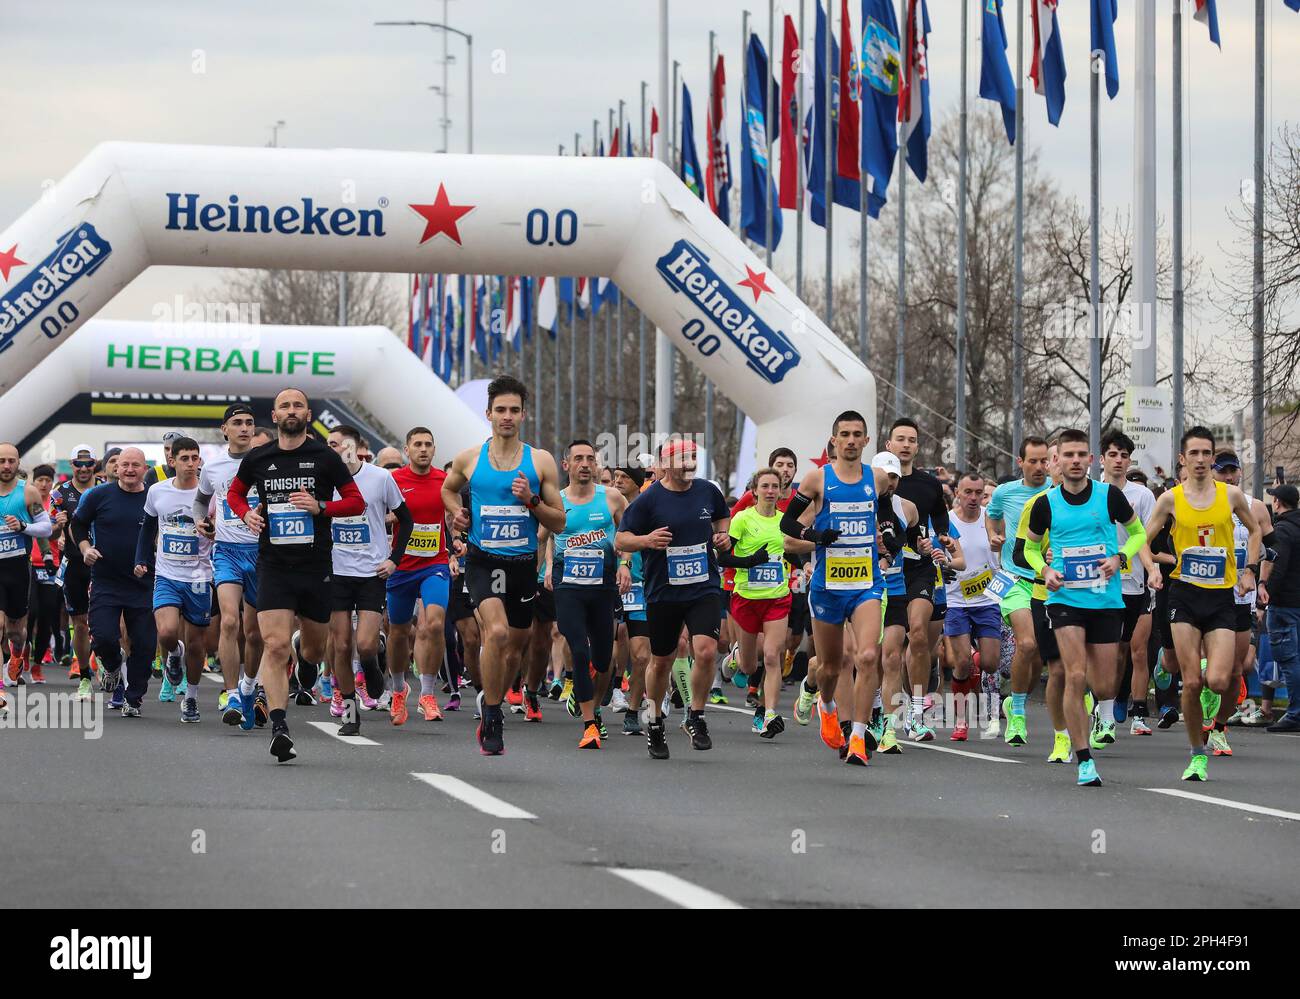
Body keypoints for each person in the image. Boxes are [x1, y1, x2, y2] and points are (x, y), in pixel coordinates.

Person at [225, 388, 365, 763]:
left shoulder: (324, 457)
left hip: (316, 566)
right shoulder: (258, 457)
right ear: (274, 414)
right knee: (274, 646)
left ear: (307, 414)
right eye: (284, 405)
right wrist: (246, 514)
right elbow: (234, 496)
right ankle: (279, 726)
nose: (291, 410)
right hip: (273, 565)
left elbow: (356, 501)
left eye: (298, 405)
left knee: (316, 649)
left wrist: (320, 506)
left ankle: (306, 665)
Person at [441, 376, 566, 756]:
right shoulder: (469, 458)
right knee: (494, 634)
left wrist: (531, 501)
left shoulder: (540, 461)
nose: (507, 416)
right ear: (489, 414)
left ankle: (493, 697)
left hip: (522, 565)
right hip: (482, 561)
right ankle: (492, 712)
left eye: (514, 410)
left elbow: (559, 521)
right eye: (500, 410)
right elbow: (448, 489)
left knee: (515, 647)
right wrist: (457, 515)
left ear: (523, 414)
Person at [1022, 429, 1152, 788]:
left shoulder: (1109, 496)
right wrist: (1044, 570)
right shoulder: (1045, 504)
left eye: (1082, 454)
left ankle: (1101, 712)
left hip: (1106, 600)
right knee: (1073, 674)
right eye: (1069, 455)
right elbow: (1030, 549)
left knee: (1103, 683)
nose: (1076, 461)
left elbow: (1139, 534)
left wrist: (1119, 557)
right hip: (1065, 600)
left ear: (1090, 460)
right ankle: (1083, 758)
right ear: (1058, 461)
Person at [780, 415, 905, 766]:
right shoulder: (818, 478)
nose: (850, 440)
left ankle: (858, 739)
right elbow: (787, 523)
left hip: (866, 584)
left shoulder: (877, 479)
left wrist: (891, 537)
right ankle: (827, 705)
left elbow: (886, 520)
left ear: (866, 441)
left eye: (857, 435)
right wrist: (816, 537)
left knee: (867, 657)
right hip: (826, 587)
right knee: (832, 667)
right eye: (844, 435)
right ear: (834, 440)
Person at [1143, 426, 1262, 782]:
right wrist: (1151, 570)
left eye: (1205, 454)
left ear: (1212, 458)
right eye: (1192, 454)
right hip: (1183, 595)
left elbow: (1255, 531)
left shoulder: (1231, 496)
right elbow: (1141, 540)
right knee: (1192, 682)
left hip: (1221, 596)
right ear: (1183, 459)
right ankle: (1197, 754)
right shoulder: (1170, 499)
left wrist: (1250, 571)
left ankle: (1216, 722)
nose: (1199, 460)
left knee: (1221, 680)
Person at [616, 437, 731, 759]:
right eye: (682, 458)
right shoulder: (648, 500)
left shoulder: (707, 490)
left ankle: (695, 716)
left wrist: (723, 536)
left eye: (692, 457)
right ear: (664, 464)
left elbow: (722, 517)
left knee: (706, 651)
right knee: (662, 660)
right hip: (664, 590)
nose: (688, 463)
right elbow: (621, 539)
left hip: (703, 586)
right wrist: (647, 539)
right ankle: (654, 720)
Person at [541, 440, 629, 749]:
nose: (584, 463)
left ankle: (595, 707)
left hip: (603, 586)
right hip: (568, 587)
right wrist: (546, 568)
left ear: (596, 465)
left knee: (604, 660)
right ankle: (589, 723)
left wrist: (626, 565)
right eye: (578, 458)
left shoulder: (614, 499)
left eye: (590, 459)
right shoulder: (556, 501)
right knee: (578, 649)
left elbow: (627, 535)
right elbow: (544, 537)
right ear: (566, 465)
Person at [884, 419, 961, 745]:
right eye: (899, 439)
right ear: (888, 445)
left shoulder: (929, 485)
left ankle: (915, 714)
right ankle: (881, 710)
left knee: (918, 634)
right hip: (885, 570)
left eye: (911, 440)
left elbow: (941, 525)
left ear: (917, 447)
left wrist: (944, 544)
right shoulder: (874, 482)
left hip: (920, 568)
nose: (905, 445)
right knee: (885, 651)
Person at [725, 467, 813, 738]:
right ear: (754, 491)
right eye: (765, 486)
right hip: (746, 598)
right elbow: (723, 556)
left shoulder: (786, 521)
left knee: (773, 655)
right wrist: (748, 561)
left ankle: (770, 714)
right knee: (750, 666)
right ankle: (735, 656)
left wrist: (806, 564)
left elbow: (794, 550)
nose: (771, 491)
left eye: (775, 486)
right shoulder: (741, 519)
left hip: (777, 597)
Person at [193, 404, 265, 728]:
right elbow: (199, 501)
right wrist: (200, 522)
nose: (244, 428)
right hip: (226, 552)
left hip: (262, 554)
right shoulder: (213, 467)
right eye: (237, 423)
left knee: (255, 632)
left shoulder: (267, 463)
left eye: (249, 423)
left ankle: (250, 687)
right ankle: (231, 692)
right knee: (229, 622)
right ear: (225, 429)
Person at [70, 447, 156, 715]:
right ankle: (112, 665)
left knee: (144, 644)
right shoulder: (98, 495)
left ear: (145, 469)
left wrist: (151, 556)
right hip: (106, 580)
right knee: (105, 636)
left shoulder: (154, 497)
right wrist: (85, 549)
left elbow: (166, 530)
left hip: (142, 582)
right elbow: (78, 524)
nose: (129, 470)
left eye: (135, 465)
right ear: (116, 469)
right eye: (124, 465)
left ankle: (134, 697)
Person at [134, 436, 212, 723]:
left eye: (195, 458)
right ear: (172, 461)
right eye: (185, 458)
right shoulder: (157, 491)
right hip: (167, 573)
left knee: (196, 644)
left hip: (199, 576)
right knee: (166, 633)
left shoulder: (210, 493)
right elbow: (147, 528)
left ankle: (190, 697)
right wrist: (141, 559)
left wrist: (213, 532)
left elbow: (220, 529)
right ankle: (172, 654)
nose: (191, 464)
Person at [984, 436, 1052, 746]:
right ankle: (1020, 712)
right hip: (1013, 578)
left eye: (1044, 461)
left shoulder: (1057, 493)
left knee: (1038, 652)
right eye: (1033, 461)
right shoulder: (1004, 492)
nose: (1039, 467)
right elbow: (992, 515)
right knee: (1026, 644)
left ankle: (1014, 700)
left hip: (1047, 580)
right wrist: (994, 537)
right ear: (1020, 462)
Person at [1210, 449, 1275, 753]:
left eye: (1232, 471)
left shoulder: (1256, 507)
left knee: (1240, 666)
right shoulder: (1200, 504)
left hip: (1242, 596)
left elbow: (1271, 549)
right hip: (1207, 593)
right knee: (1209, 667)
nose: (1229, 476)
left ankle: (1220, 724)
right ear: (1212, 473)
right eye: (1222, 471)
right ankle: (1206, 719)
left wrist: (1260, 580)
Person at [1099, 429, 1157, 739]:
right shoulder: (1093, 492)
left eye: (1124, 455)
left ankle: (1134, 707)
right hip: (1103, 584)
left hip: (1137, 582)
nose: (1119, 460)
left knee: (1136, 649)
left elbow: (1144, 537)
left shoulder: (1142, 495)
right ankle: (1109, 702)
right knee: (1113, 651)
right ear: (1102, 459)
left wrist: (1150, 569)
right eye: (1113, 454)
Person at [943, 470, 1002, 741]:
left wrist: (1002, 592)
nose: (974, 498)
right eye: (968, 492)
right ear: (957, 492)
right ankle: (961, 720)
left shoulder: (992, 520)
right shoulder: (947, 522)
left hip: (987, 600)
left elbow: (1005, 560)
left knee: (990, 663)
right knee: (962, 663)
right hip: (955, 600)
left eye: (979, 493)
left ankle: (978, 662)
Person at [0, 444, 54, 697]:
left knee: (15, 631)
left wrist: (23, 526)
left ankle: (17, 655)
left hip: (18, 567)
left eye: (11, 461)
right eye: (1, 461)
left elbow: (46, 529)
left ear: (17, 462)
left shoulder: (28, 493)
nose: (6, 466)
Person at [51, 444, 100, 684]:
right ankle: (84, 675)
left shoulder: (105, 489)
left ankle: (104, 662)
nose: (83, 468)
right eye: (78, 464)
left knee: (105, 619)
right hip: (73, 564)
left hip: (103, 563)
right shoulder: (59, 493)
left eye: (88, 463)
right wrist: (57, 527)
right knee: (80, 623)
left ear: (95, 464)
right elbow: (47, 532)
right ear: (71, 465)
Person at [1262, 483, 1300, 732]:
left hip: (1284, 603)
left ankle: (1296, 714)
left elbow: (1277, 565)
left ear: (1277, 503)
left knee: (1289, 660)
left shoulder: (1283, 530)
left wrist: (1264, 595)